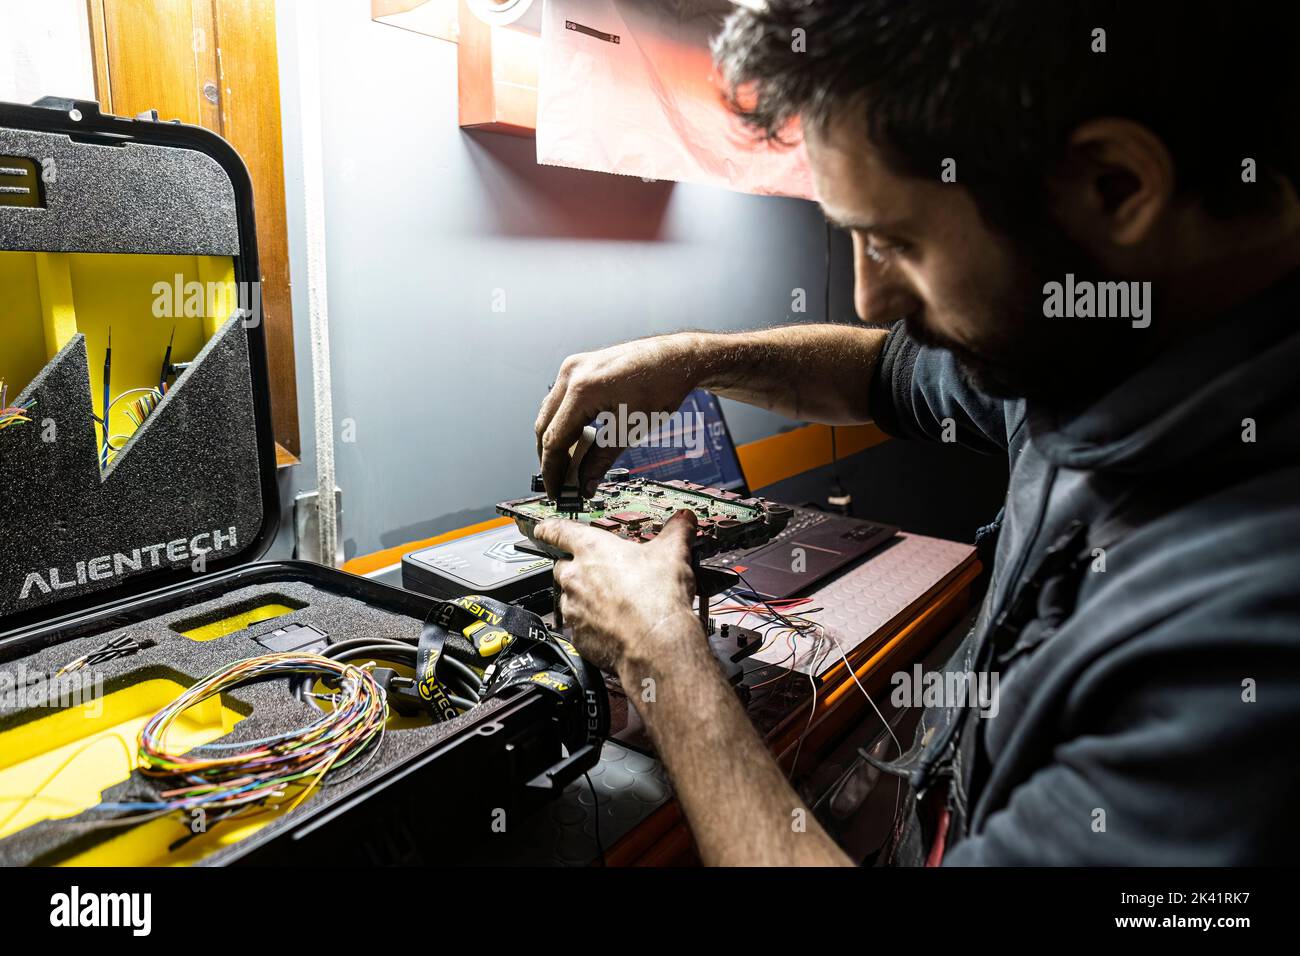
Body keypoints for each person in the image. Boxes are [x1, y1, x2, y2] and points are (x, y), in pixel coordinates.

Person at [531, 1, 1300, 865]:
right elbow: (877, 370)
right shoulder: (1095, 341)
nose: (869, 299)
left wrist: (665, 667)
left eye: (895, 240)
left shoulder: (1250, 630)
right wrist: (695, 358)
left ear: (1114, 186)